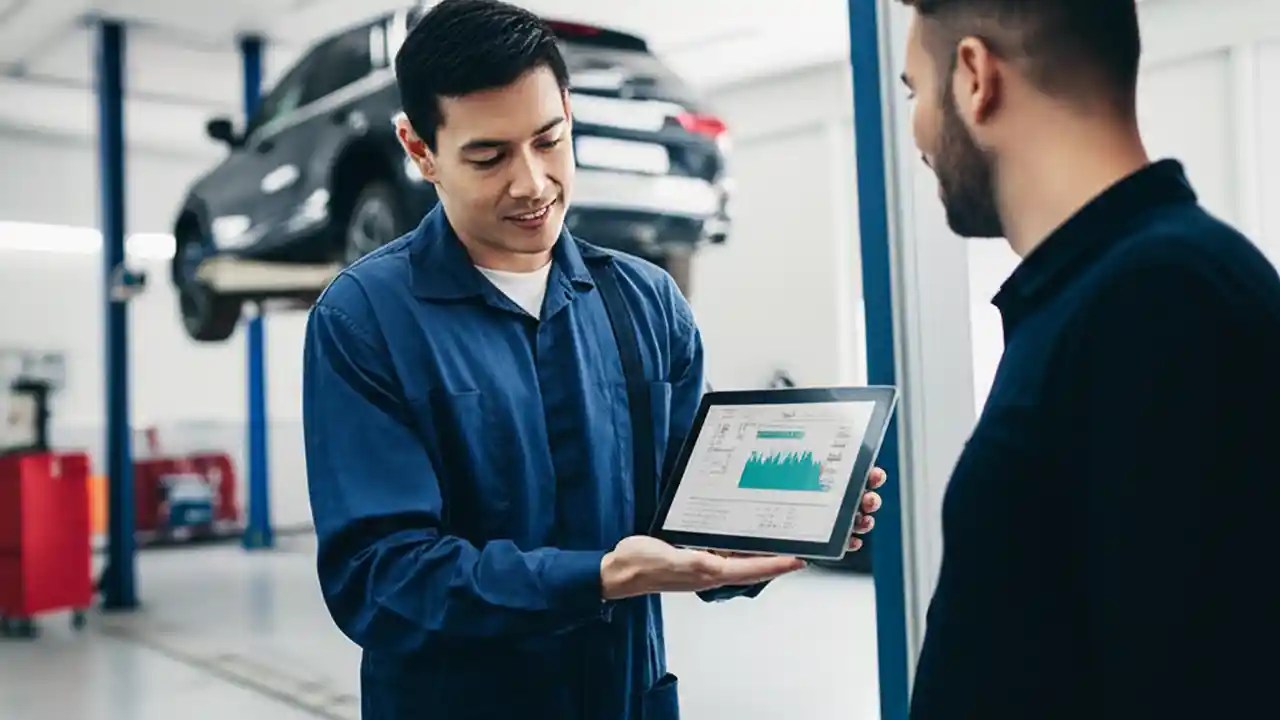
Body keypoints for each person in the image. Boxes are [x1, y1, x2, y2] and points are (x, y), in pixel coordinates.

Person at [301, 1, 884, 718]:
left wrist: (785, 519)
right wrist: (596, 577)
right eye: (489, 156)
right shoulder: (366, 320)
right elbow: (381, 580)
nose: (533, 183)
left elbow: (688, 521)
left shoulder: (647, 303)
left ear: (570, 112)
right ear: (420, 150)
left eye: (549, 140)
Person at [896, 0, 1280, 717]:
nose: (916, 132)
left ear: (976, 77)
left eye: (915, 91)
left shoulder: (1162, 301)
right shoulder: (1097, 294)